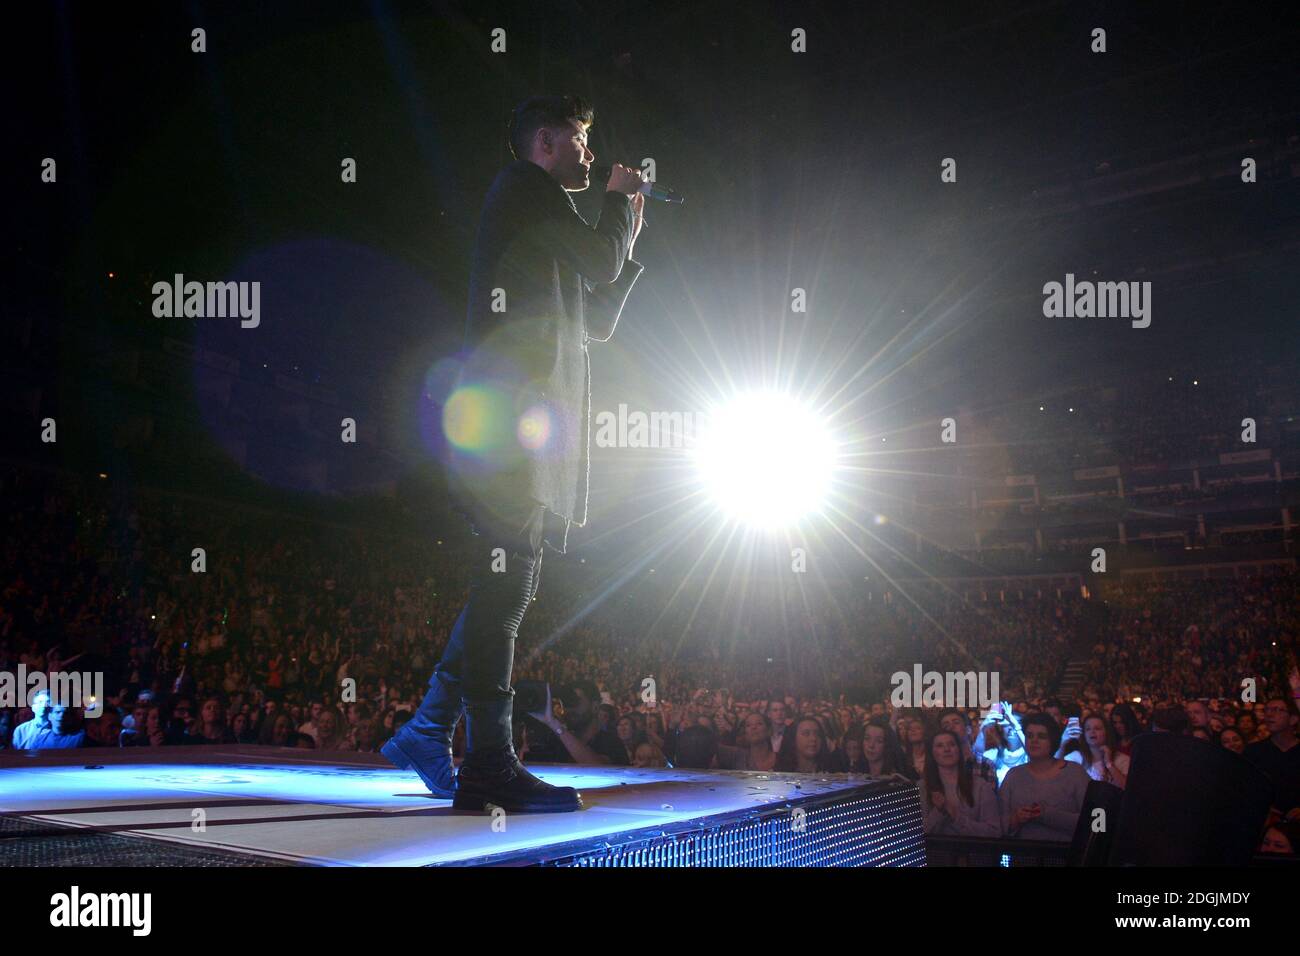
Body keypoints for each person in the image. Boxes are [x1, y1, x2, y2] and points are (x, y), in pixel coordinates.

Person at [380, 94, 646, 813]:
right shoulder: (521, 188)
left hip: (520, 424)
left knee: (506, 587)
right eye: (584, 142)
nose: (592, 156)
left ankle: (427, 731)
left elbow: (593, 321)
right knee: (507, 591)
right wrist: (619, 209)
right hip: (507, 424)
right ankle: (488, 764)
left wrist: (629, 229)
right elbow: (597, 257)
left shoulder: (538, 213)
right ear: (545, 142)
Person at [999, 713, 1090, 842]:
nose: (1034, 740)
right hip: (1023, 855)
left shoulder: (1074, 772)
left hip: (1065, 855)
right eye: (1029, 736)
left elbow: (1094, 820)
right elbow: (998, 823)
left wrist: (1048, 815)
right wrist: (1016, 819)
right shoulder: (1014, 775)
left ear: (1052, 740)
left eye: (1041, 736)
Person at [919, 730, 1001, 836]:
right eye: (940, 746)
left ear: (959, 749)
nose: (947, 749)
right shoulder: (922, 787)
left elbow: (994, 832)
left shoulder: (980, 786)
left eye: (951, 744)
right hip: (935, 851)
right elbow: (915, 835)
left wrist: (956, 817)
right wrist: (938, 812)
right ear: (932, 753)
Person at [1243, 696, 1300, 819]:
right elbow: (1245, 788)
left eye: (1276, 710)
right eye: (1267, 710)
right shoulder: (1253, 751)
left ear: (1293, 719)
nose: (1269, 714)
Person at [1062, 714, 1129, 787]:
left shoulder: (1122, 759)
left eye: (1097, 728)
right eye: (1088, 729)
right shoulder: (1075, 757)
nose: (1092, 732)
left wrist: (1109, 764)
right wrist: (1062, 743)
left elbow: (1127, 788)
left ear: (1106, 732)